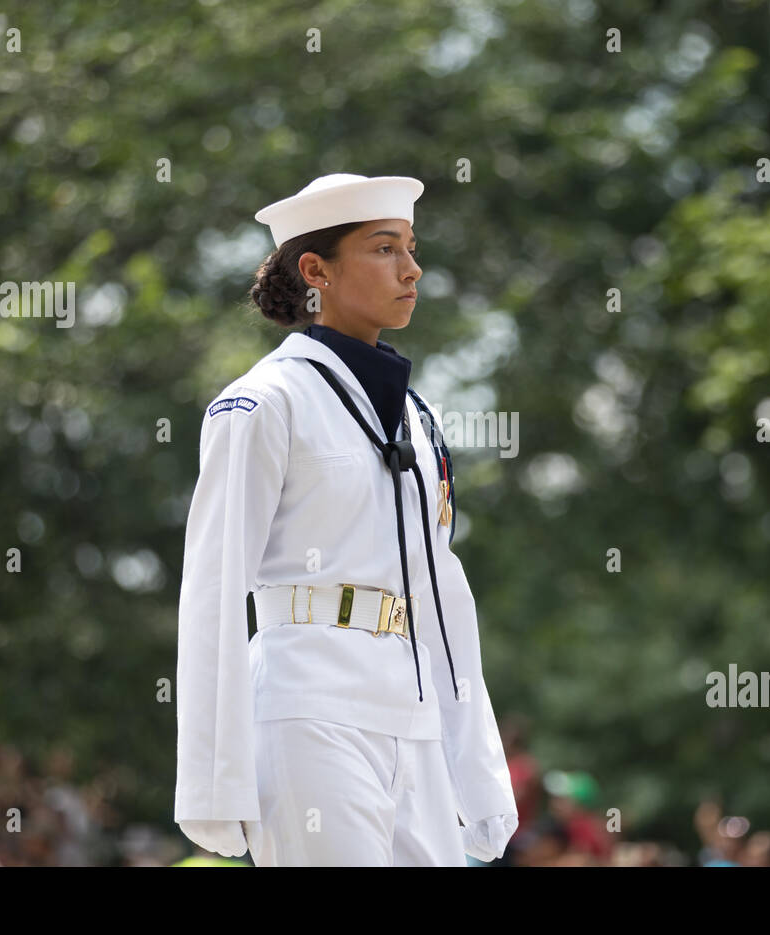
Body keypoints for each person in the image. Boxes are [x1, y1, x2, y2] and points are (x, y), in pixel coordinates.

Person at [174, 173, 518, 865]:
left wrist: (478, 766)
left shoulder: (417, 418)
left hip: (411, 710)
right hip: (308, 708)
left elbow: (443, 592)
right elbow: (213, 589)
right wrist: (214, 785)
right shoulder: (263, 404)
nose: (412, 268)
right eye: (385, 248)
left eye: (412, 248)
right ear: (315, 271)